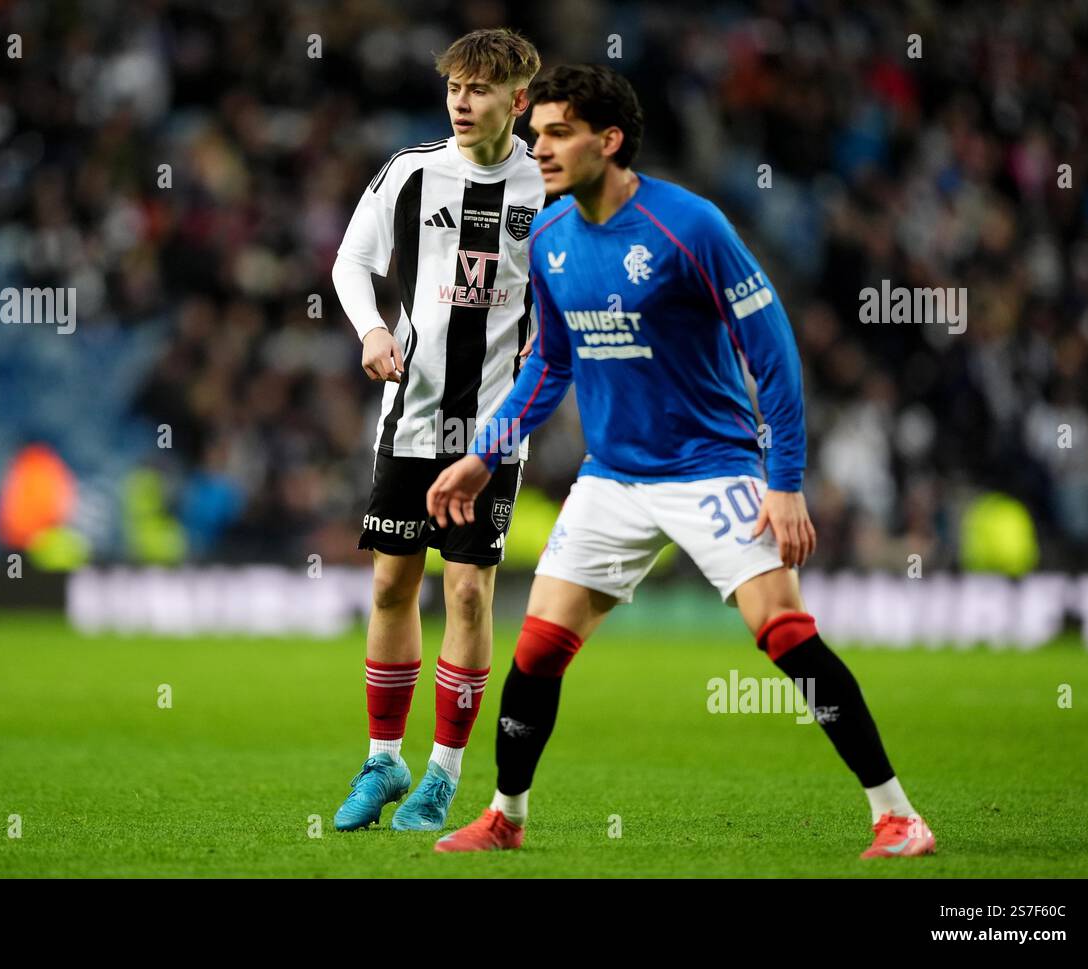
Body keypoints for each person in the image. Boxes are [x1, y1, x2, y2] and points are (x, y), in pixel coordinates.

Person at [427, 64, 936, 859]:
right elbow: (550, 366)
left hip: (713, 469)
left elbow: (773, 355)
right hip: (613, 477)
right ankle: (505, 816)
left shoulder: (690, 226)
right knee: (534, 650)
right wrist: (483, 455)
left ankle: (898, 814)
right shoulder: (550, 238)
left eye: (558, 132)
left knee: (786, 635)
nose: (541, 148)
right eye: (536, 135)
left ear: (610, 139)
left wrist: (786, 481)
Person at [329, 28, 546, 831]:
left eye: (481, 88)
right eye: (455, 85)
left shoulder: (546, 188)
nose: (462, 100)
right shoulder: (411, 171)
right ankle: (383, 759)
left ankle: (441, 776)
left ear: (517, 100)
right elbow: (351, 261)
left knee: (465, 590)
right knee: (390, 583)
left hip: (491, 431)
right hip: (409, 416)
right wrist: (370, 331)